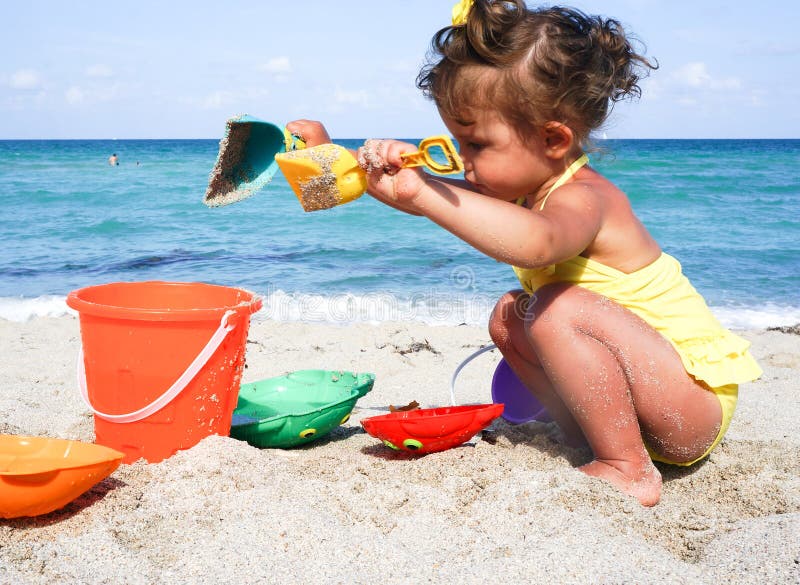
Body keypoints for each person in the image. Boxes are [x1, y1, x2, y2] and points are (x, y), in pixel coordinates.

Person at [287, 0, 761, 506]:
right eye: (457, 143)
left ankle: (627, 468)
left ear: (553, 138)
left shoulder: (585, 198)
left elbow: (535, 246)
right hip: (640, 401)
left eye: (477, 144)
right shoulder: (518, 188)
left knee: (560, 306)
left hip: (688, 408)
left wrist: (423, 192)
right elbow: (433, 200)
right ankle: (591, 437)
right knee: (510, 314)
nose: (465, 163)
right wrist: (334, 159)